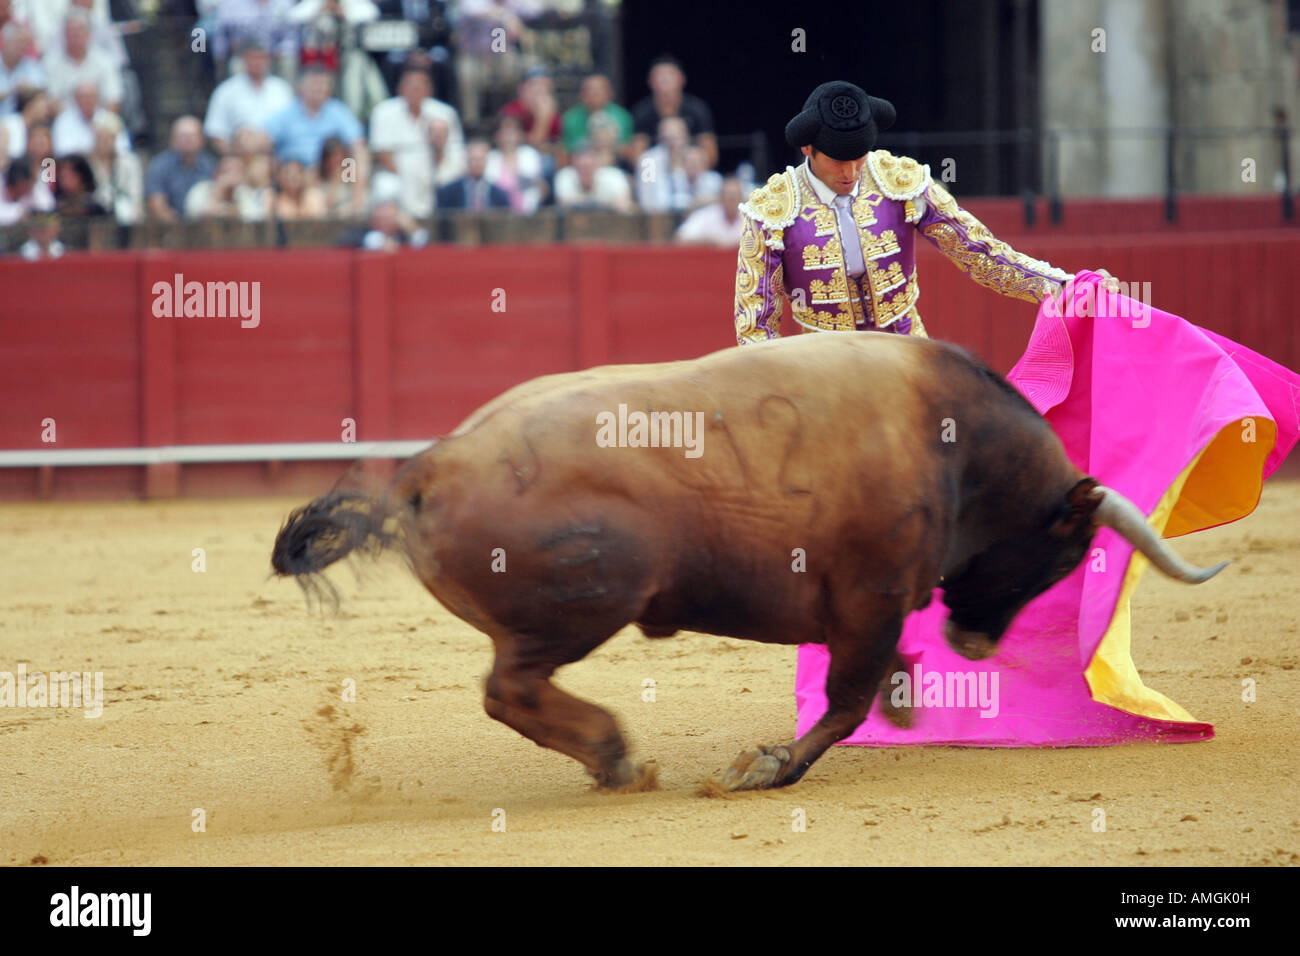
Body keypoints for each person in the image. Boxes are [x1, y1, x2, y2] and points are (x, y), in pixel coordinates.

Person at [734, 81, 1115, 344]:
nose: (851, 173)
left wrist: (1067, 290)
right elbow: (756, 326)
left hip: (908, 352)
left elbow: (981, 253)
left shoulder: (901, 182)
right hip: (823, 369)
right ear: (807, 150)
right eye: (838, 161)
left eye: (858, 158)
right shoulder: (772, 211)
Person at [368, 63, 465, 218]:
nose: (414, 91)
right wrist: (410, 177)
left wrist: (438, 149)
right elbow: (383, 154)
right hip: (399, 173)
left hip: (437, 170)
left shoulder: (445, 113)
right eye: (410, 86)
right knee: (386, 186)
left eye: (419, 87)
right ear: (401, 88)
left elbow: (454, 152)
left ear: (429, 89)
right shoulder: (383, 112)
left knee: (451, 183)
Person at [202, 37, 294, 154]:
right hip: (238, 153)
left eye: (261, 57)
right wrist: (237, 153)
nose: (257, 62)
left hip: (276, 155)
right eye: (252, 58)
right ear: (244, 59)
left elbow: (292, 128)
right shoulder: (226, 90)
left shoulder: (282, 89)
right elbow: (215, 132)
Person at [630, 55, 716, 168]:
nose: (664, 80)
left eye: (669, 76)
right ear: (650, 81)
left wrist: (693, 170)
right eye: (659, 76)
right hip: (655, 169)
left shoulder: (697, 109)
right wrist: (649, 178)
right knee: (647, 163)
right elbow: (637, 155)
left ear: (681, 79)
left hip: (689, 168)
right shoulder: (642, 112)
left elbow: (710, 153)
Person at [144, 115, 214, 221]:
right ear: (172, 140)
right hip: (170, 228)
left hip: (203, 225)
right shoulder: (160, 165)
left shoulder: (209, 165)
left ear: (201, 140)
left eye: (192, 136)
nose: (187, 140)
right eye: (182, 136)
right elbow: (156, 204)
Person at [553, 142, 632, 212]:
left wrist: (582, 203)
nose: (586, 171)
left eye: (590, 166)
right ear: (574, 166)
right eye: (582, 167)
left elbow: (624, 204)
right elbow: (564, 203)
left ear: (597, 165)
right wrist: (607, 204)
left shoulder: (614, 176)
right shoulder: (564, 176)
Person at [435, 137, 509, 210]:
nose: (477, 164)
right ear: (466, 160)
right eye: (473, 159)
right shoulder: (448, 193)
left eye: (480, 159)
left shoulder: (499, 195)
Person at [675, 175, 744, 245]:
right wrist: (706, 241)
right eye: (729, 198)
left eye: (734, 198)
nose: (731, 202)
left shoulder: (750, 219)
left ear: (741, 199)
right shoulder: (705, 216)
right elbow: (681, 238)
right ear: (721, 198)